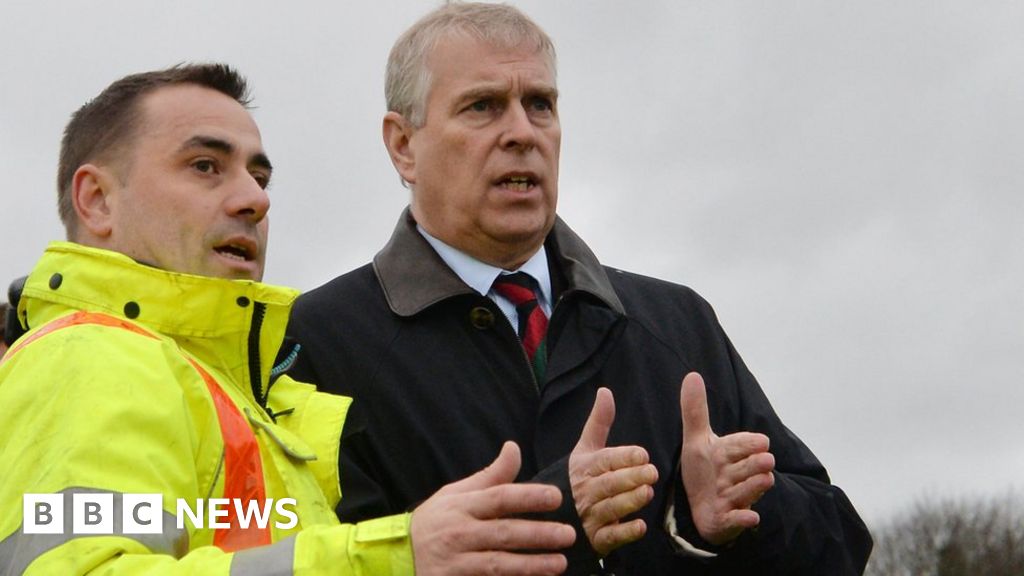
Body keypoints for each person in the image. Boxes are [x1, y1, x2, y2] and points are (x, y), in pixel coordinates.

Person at [0, 63, 655, 575]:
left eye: (260, 177)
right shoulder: (88, 360)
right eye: (205, 166)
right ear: (97, 200)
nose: (254, 199)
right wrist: (400, 556)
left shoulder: (241, 394)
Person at [288, 3, 874, 575]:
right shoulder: (319, 345)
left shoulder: (674, 322)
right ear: (403, 145)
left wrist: (733, 519)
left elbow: (841, 543)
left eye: (539, 104)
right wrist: (563, 518)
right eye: (483, 106)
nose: (522, 133)